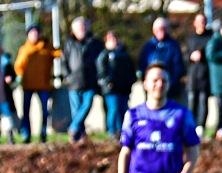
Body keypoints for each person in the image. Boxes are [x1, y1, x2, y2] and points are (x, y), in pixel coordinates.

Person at [14, 24, 60, 143]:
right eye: (32, 33)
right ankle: (26, 134)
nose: (34, 35)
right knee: (26, 111)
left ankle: (43, 133)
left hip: (43, 85)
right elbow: (18, 66)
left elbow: (59, 54)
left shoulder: (46, 47)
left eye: (36, 32)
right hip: (28, 85)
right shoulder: (24, 49)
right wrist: (19, 76)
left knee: (45, 111)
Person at [62, 16, 103, 144]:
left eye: (84, 27)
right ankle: (78, 136)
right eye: (79, 28)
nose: (82, 30)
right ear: (73, 30)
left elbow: (100, 61)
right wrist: (67, 76)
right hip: (74, 82)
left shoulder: (95, 43)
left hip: (90, 81)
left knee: (86, 106)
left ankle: (73, 128)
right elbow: (64, 62)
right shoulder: (69, 43)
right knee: (76, 110)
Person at [96, 31, 136, 139]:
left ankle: (122, 132)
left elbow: (131, 70)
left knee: (123, 110)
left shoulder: (124, 54)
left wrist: (131, 82)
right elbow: (101, 72)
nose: (113, 41)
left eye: (114, 38)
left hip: (124, 88)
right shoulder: (104, 55)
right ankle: (112, 131)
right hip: (111, 89)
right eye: (110, 39)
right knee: (113, 109)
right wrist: (107, 82)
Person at [138, 17, 186, 101]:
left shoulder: (174, 46)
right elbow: (142, 66)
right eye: (159, 29)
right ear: (154, 30)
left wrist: (170, 84)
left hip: (170, 90)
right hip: (151, 89)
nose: (161, 31)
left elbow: (178, 67)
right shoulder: (148, 46)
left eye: (164, 28)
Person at [184, 13, 212, 138]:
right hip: (192, 76)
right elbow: (184, 57)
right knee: (191, 102)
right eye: (199, 21)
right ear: (195, 23)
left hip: (205, 76)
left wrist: (203, 56)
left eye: (203, 21)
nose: (201, 24)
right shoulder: (190, 39)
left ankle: (201, 127)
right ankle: (191, 126)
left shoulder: (210, 37)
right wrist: (191, 57)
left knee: (203, 102)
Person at [0, 45, 19, 144]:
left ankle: (10, 137)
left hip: (4, 95)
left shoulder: (5, 62)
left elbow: (14, 75)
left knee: (7, 116)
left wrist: (10, 78)